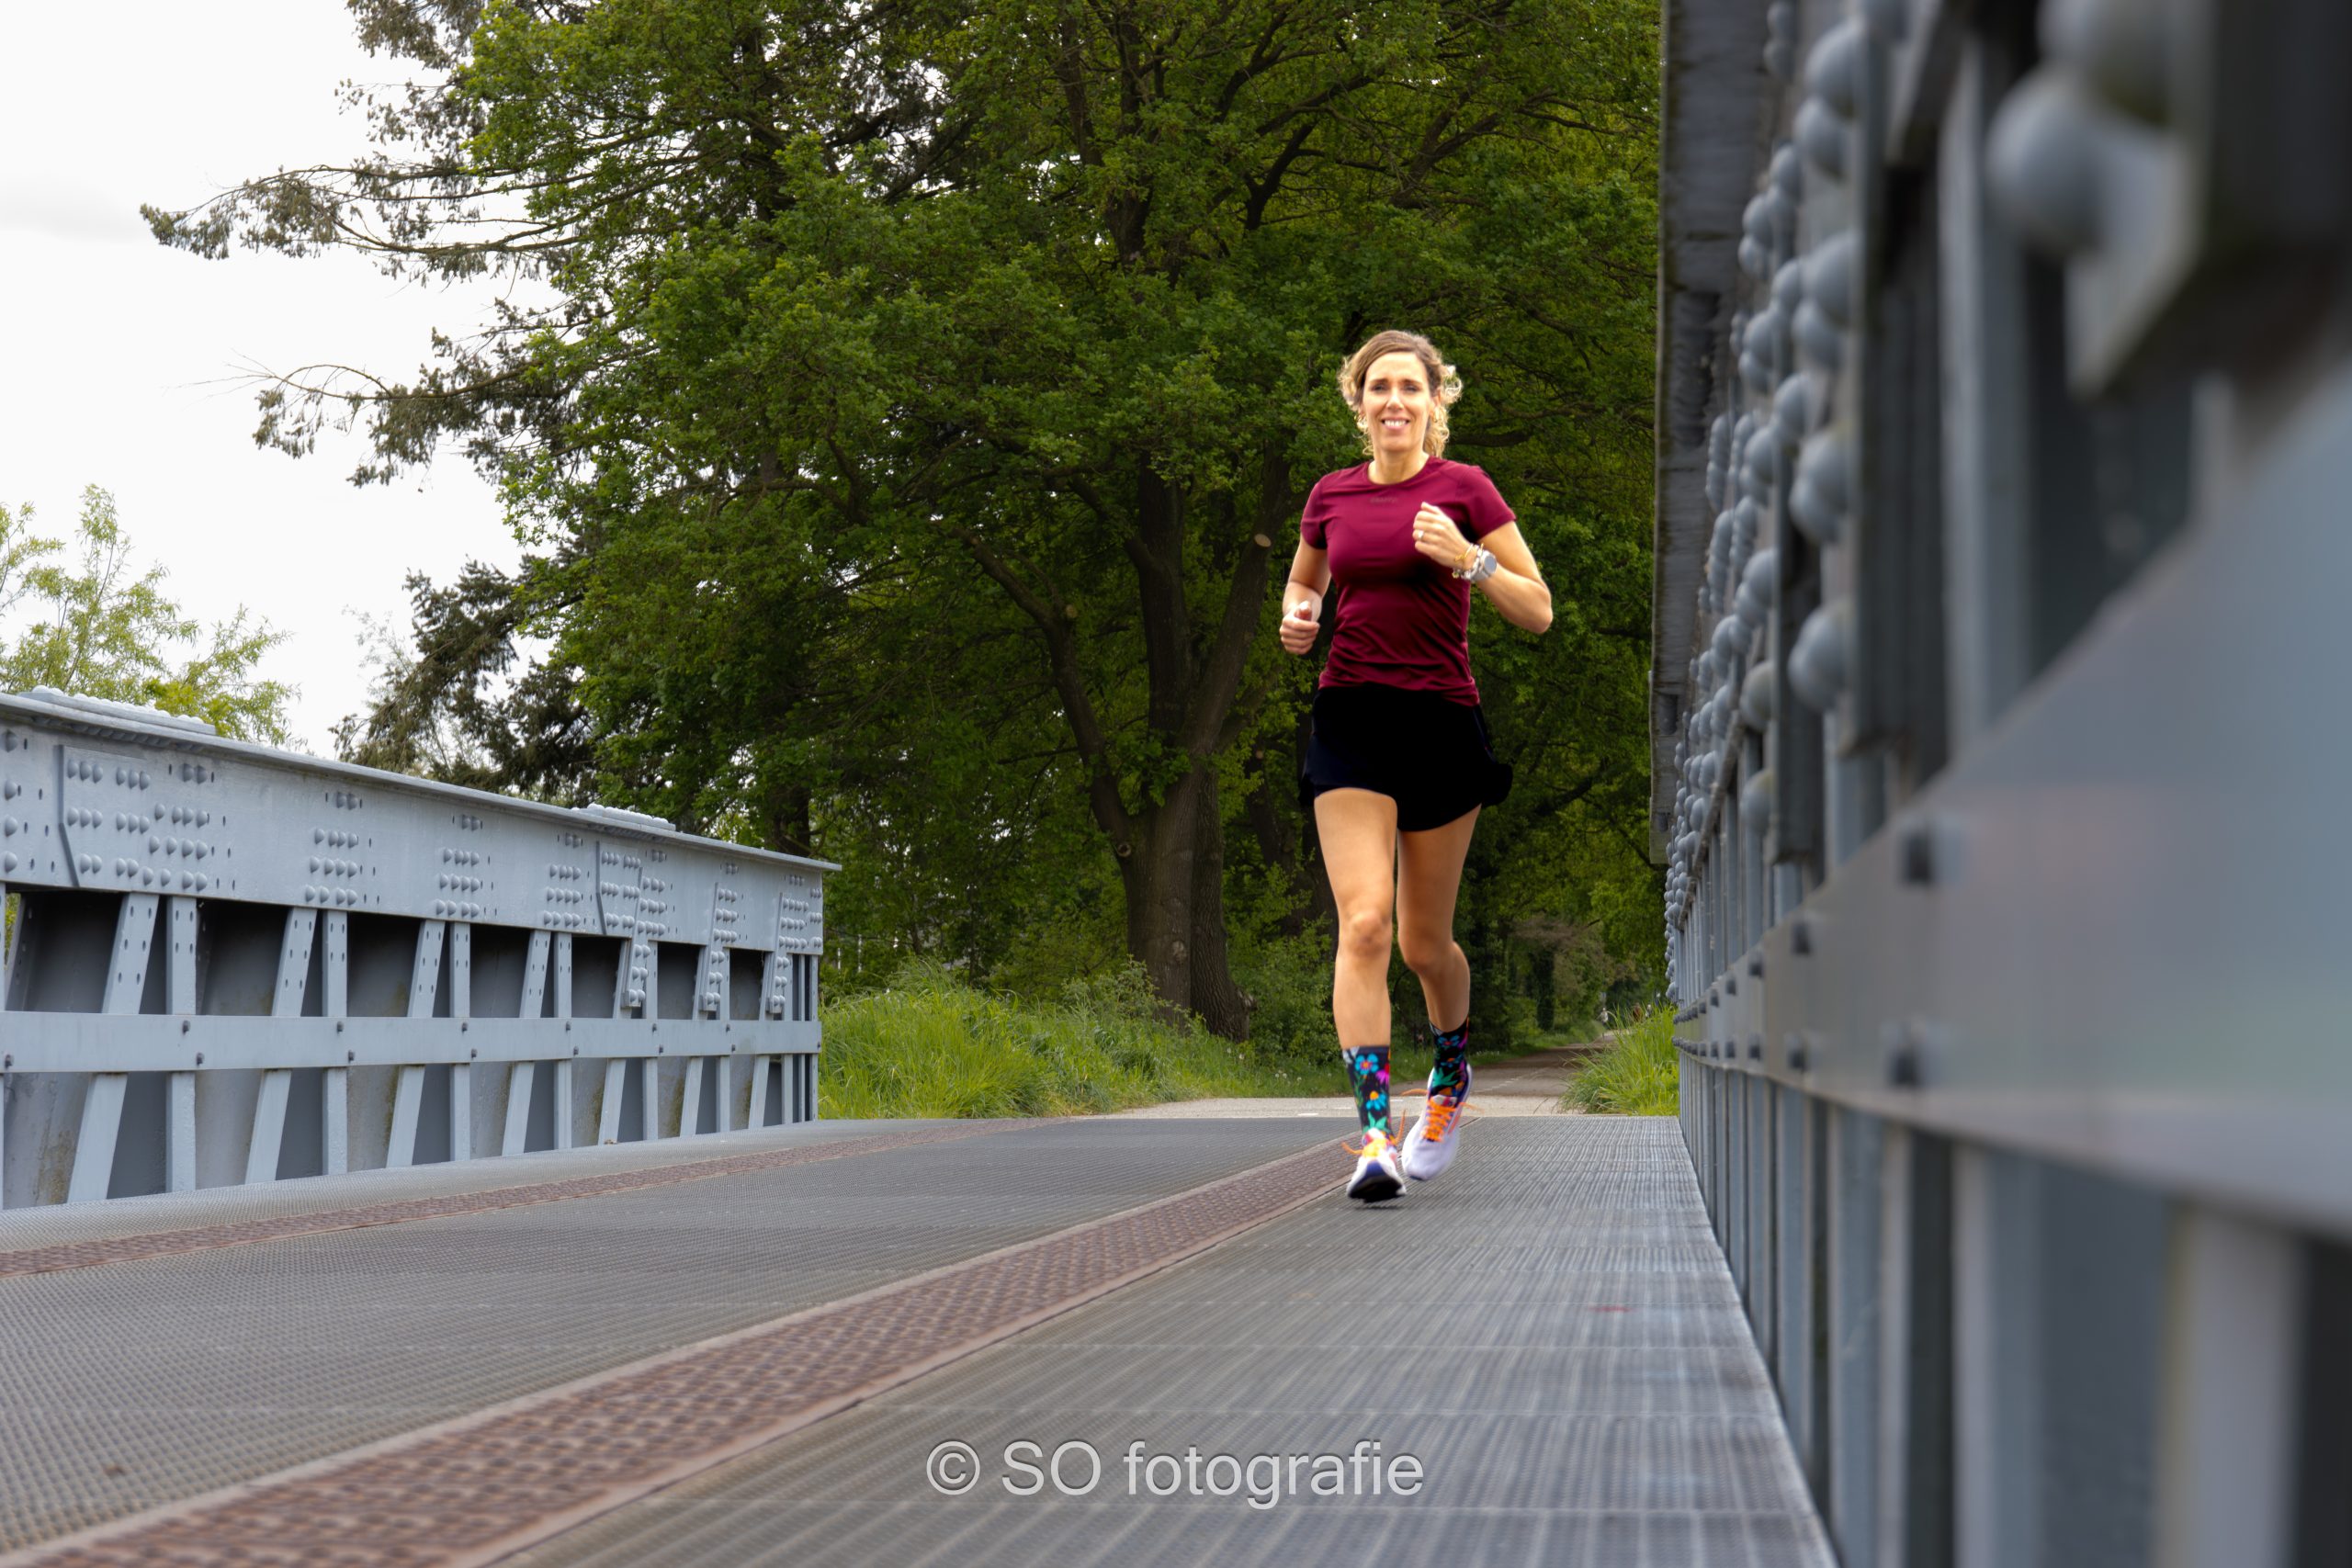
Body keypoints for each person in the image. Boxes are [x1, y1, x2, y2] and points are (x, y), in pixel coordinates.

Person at [1278, 330, 1552, 1201]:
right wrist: (1299, 617)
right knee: (1361, 925)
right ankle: (1371, 1137)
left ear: (1437, 402)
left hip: (1440, 722)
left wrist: (1468, 560)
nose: (1394, 401)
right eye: (1378, 387)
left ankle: (1450, 1076)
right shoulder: (1331, 496)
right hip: (1351, 717)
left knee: (1422, 941)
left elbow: (1538, 610)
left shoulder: (1464, 489)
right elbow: (1305, 585)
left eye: (1411, 387)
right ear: (1358, 405)